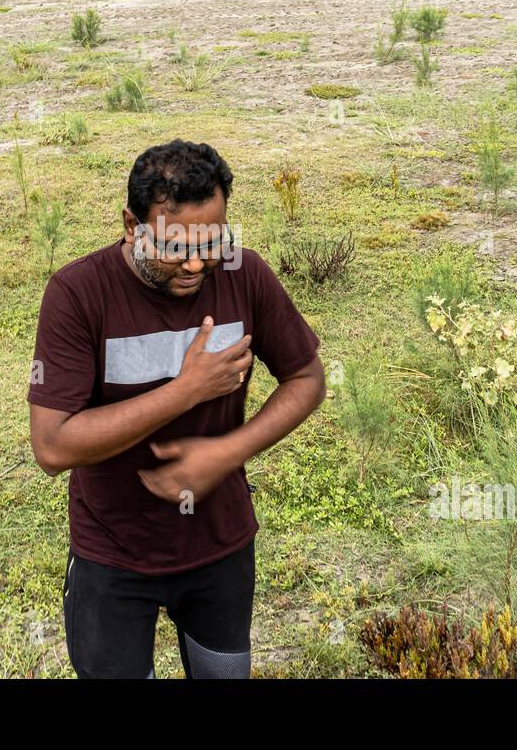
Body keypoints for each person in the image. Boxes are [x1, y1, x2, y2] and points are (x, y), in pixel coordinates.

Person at [27, 139, 325, 678]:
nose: (194, 264)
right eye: (171, 246)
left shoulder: (246, 274)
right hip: (112, 555)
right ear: (130, 225)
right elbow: (52, 445)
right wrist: (185, 390)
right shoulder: (77, 294)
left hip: (219, 545)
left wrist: (225, 454)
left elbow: (306, 378)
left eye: (210, 242)